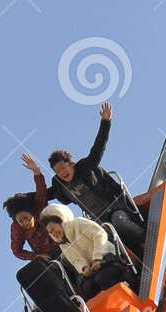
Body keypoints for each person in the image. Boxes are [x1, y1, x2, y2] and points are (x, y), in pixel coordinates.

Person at [48, 101, 147, 256]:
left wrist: (105, 122)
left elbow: (98, 146)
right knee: (107, 241)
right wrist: (36, 174)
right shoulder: (60, 186)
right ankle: (135, 259)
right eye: (58, 171)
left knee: (119, 223)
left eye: (63, 168)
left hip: (115, 207)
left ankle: (146, 240)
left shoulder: (86, 166)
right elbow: (40, 196)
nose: (62, 173)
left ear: (71, 164)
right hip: (100, 220)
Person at [39, 202, 135, 298]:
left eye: (53, 229)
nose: (53, 233)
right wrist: (84, 268)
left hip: (108, 257)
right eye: (50, 232)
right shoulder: (63, 245)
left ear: (60, 222)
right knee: (88, 287)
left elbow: (99, 235)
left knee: (102, 278)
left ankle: (128, 294)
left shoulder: (78, 223)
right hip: (94, 268)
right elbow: (75, 260)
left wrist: (97, 258)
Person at [5, 152, 53, 260]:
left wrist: (36, 170)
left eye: (25, 218)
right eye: (21, 221)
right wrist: (36, 256)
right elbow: (17, 251)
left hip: (63, 242)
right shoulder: (16, 228)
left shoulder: (39, 207)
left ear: (31, 212)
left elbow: (41, 189)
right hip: (47, 256)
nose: (25, 222)